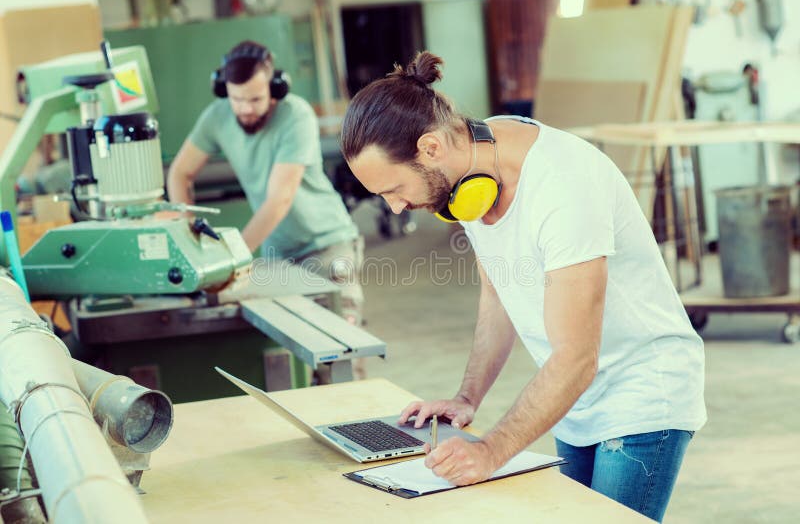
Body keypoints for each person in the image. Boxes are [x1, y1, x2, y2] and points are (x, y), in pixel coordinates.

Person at [339, 51, 705, 522]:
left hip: (641, 392)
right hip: (574, 400)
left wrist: (492, 451)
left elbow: (577, 357)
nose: (393, 208)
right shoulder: (468, 172)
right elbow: (499, 292)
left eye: (393, 189)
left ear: (430, 148)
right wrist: (467, 398)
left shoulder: (562, 189)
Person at [167, 40, 365, 380]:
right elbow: (180, 172)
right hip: (280, 254)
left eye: (255, 99)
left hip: (328, 248)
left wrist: (229, 259)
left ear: (275, 89)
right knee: (296, 363)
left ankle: (360, 428)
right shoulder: (217, 116)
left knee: (338, 358)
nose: (245, 109)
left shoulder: (296, 115)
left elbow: (280, 199)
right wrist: (189, 235)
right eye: (237, 99)